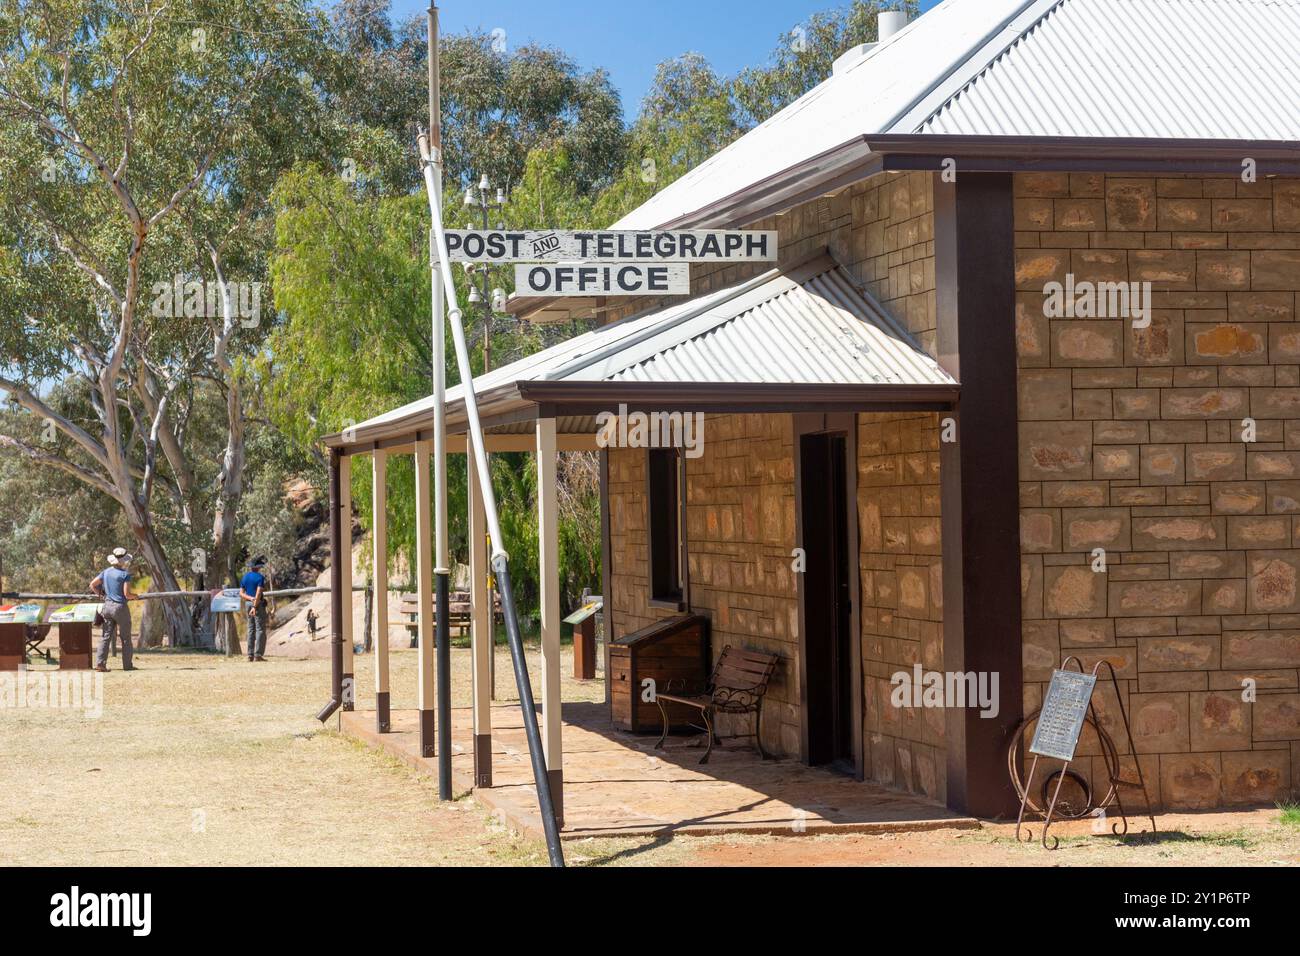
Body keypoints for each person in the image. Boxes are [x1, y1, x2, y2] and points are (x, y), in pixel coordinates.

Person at [90, 552, 136, 672]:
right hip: (120, 607)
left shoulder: (106, 572)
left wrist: (103, 595)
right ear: (124, 561)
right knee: (125, 638)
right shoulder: (125, 574)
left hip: (107, 607)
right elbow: (127, 594)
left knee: (106, 636)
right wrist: (135, 596)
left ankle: (100, 664)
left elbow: (93, 585)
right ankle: (127, 665)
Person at [240, 556, 269, 662]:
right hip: (257, 605)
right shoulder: (260, 578)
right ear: (258, 567)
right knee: (260, 629)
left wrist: (250, 599)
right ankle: (258, 654)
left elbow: (241, 593)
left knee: (251, 629)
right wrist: (254, 606)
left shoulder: (245, 577)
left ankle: (250, 654)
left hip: (247, 604)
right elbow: (258, 593)